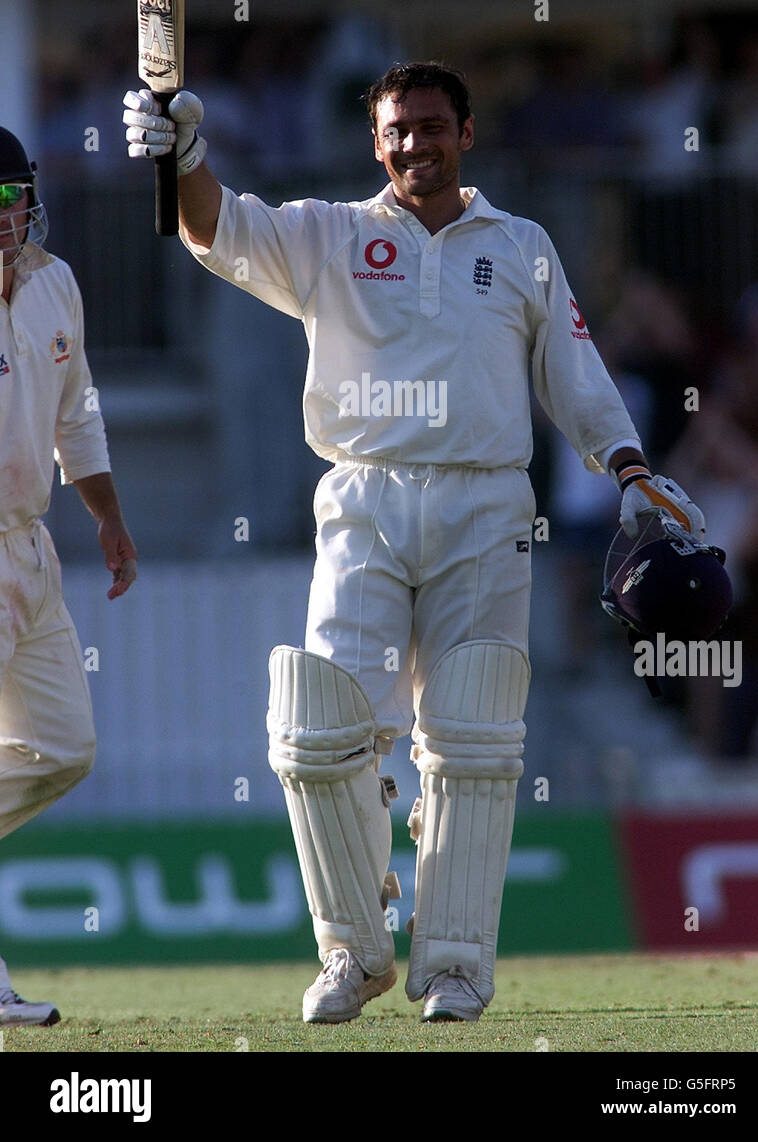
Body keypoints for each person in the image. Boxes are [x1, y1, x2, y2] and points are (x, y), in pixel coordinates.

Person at [123, 62, 704, 1023]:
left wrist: (629, 468)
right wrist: (185, 152)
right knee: (318, 729)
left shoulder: (522, 246)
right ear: (377, 142)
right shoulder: (331, 236)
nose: (412, 145)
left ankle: (455, 966)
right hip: (365, 499)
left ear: (465, 132)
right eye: (396, 131)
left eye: (431, 126)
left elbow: (575, 368)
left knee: (473, 739)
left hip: (487, 503)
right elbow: (216, 228)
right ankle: (352, 951)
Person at [0, 128, 137, 1026]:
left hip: (29, 546)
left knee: (63, 746)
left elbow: (75, 411)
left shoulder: (54, 282)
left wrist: (107, 513)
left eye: (10, 202)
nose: (3, 222)